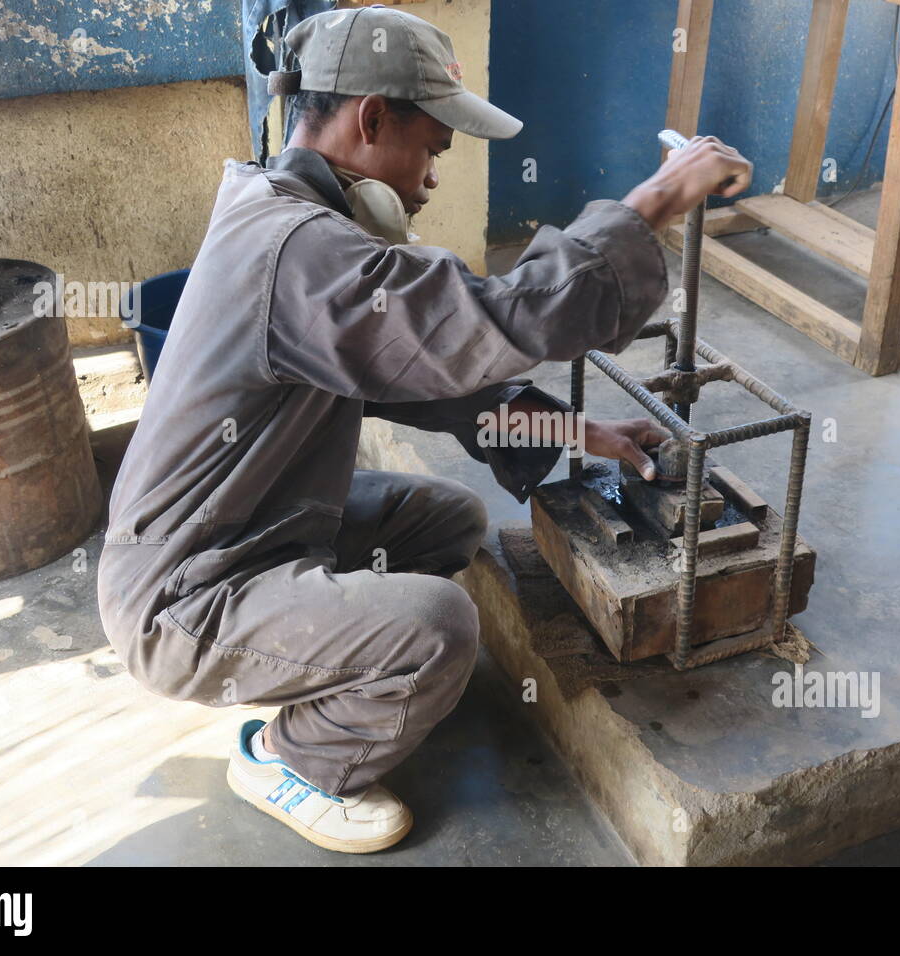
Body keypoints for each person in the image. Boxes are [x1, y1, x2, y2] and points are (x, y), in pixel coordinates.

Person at [96, 4, 751, 854]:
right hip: (184, 596)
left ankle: (333, 661)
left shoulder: (283, 208)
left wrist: (580, 433)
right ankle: (292, 759)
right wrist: (656, 198)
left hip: (246, 529)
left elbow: (425, 383)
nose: (433, 178)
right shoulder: (301, 253)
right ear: (372, 120)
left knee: (449, 519)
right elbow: (498, 317)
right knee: (441, 625)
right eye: (433, 148)